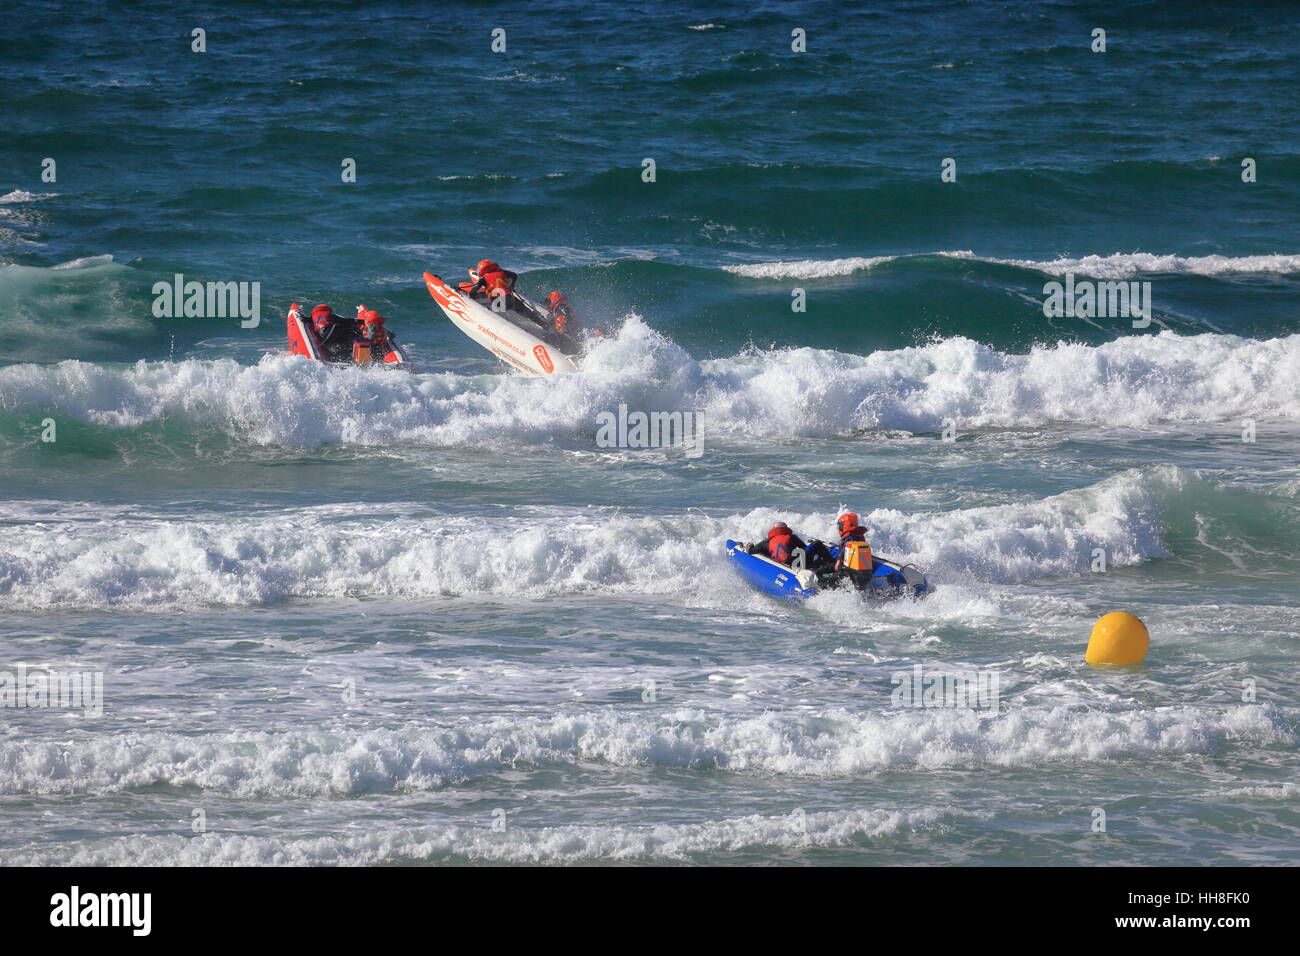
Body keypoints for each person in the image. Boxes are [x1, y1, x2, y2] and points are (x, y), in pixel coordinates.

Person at [746, 521, 835, 571]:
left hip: (783, 565)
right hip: (797, 563)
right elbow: (804, 548)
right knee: (817, 544)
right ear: (786, 529)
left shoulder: (766, 542)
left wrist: (749, 546)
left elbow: (751, 551)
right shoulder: (791, 537)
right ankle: (833, 563)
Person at [833, 512, 875, 586]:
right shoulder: (857, 535)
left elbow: (846, 548)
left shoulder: (851, 538)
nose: (840, 528)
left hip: (847, 569)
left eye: (841, 525)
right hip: (855, 568)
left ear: (846, 525)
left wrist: (839, 560)